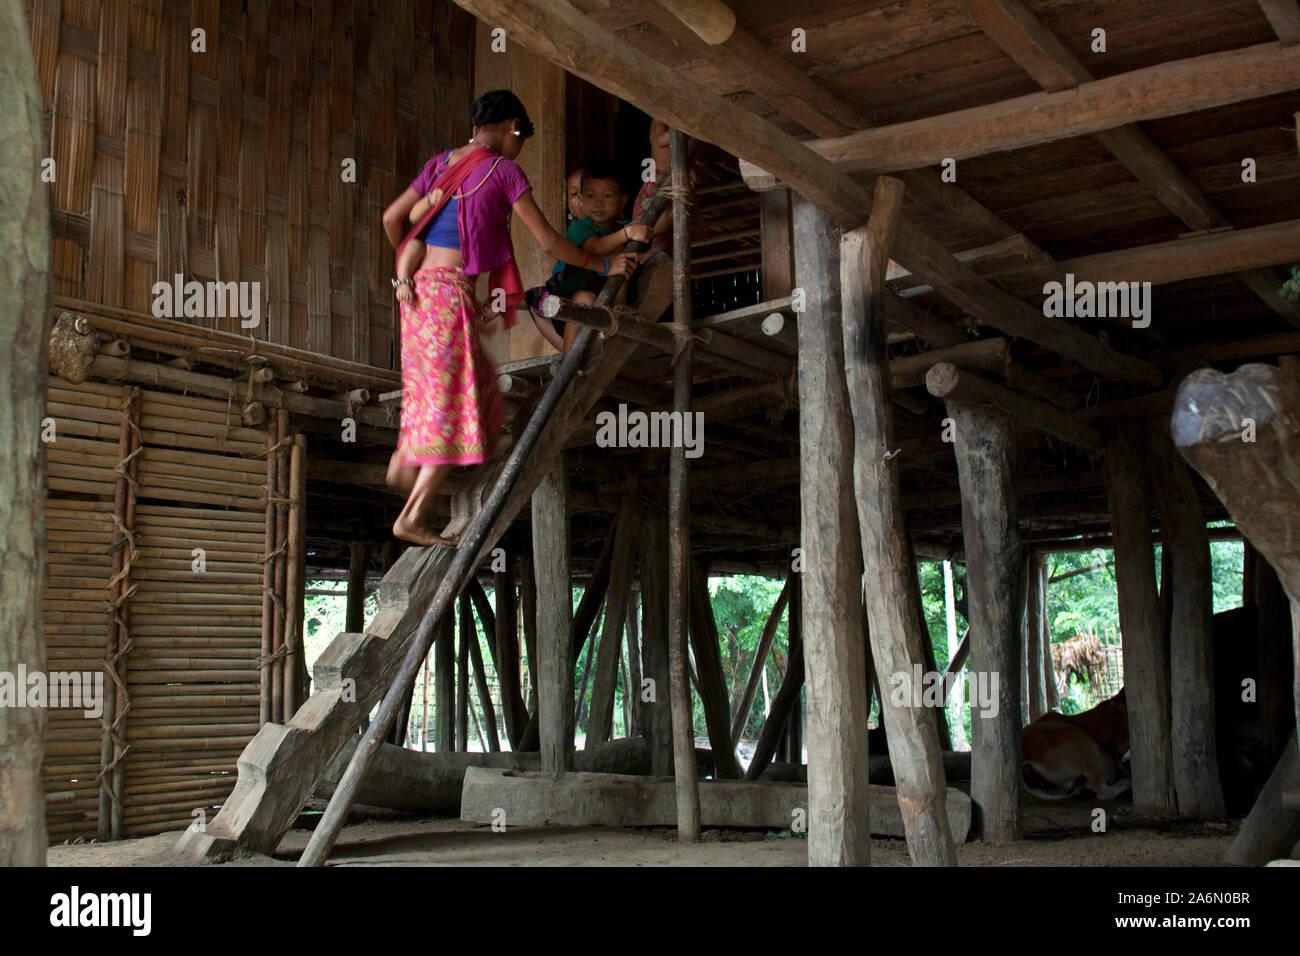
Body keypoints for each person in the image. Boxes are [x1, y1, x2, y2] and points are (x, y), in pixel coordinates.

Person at [381, 90, 637, 547]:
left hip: (420, 294)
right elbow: (550, 243)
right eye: (522, 137)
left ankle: (408, 457)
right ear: (512, 126)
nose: (520, 147)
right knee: (458, 400)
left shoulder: (440, 163)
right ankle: (413, 512)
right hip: (446, 295)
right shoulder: (503, 171)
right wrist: (604, 267)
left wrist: (410, 271)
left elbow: (391, 220)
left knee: (454, 386)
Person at [526, 162, 651, 354]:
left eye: (607, 196)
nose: (599, 203)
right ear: (582, 200)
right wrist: (628, 234)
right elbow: (596, 247)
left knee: (621, 254)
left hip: (605, 303)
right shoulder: (579, 227)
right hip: (569, 305)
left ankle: (620, 301)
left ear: (623, 201)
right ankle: (570, 363)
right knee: (585, 298)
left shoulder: (623, 227)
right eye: (591, 196)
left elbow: (653, 229)